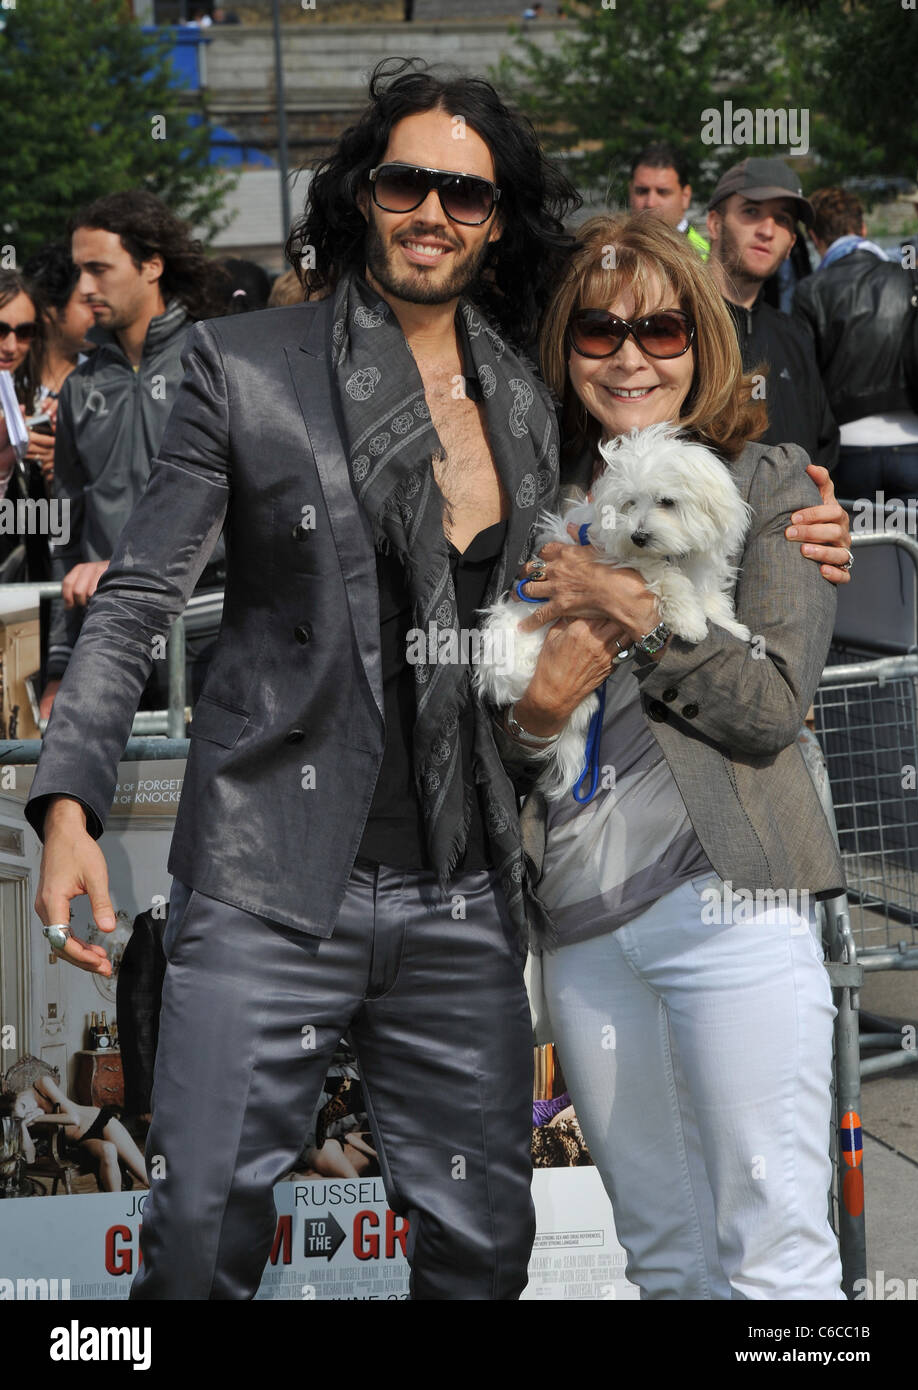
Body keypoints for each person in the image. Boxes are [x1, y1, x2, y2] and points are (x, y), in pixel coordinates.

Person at [27, 58, 581, 1302]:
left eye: (465, 194)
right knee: (196, 1239)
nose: (431, 212)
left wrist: (785, 516)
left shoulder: (523, 398)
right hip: (268, 879)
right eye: (405, 181)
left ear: (496, 225)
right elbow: (135, 606)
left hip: (462, 886)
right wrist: (70, 807)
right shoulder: (250, 365)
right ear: (360, 192)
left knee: (485, 1245)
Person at [494, 213, 851, 1299]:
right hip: (581, 928)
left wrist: (630, 606)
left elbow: (768, 707)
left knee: (775, 1255)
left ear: (702, 339)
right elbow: (479, 735)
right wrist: (533, 726)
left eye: (659, 327)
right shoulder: (515, 499)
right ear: (564, 346)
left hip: (730, 904)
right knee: (663, 1260)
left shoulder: (773, 481)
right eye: (599, 328)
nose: (630, 354)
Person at [41, 190, 228, 717]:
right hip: (111, 647)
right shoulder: (79, 387)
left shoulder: (217, 364)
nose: (84, 287)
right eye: (79, 271)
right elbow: (65, 539)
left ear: (152, 266)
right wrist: (59, 666)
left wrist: (126, 567)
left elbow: (250, 513)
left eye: (99, 268)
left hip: (213, 643)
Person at [706, 157, 839, 475]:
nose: (767, 230)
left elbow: (824, 448)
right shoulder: (671, 326)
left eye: (782, 219)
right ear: (714, 223)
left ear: (792, 242)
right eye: (751, 211)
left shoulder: (796, 336)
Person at [793, 186, 918, 501]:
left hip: (847, 450)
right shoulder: (910, 277)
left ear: (814, 237)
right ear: (863, 228)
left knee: (859, 549)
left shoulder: (809, 291)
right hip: (913, 443)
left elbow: (805, 385)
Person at [21, 243, 96, 490]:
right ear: (49, 309)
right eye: (87, 302)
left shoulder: (106, 379)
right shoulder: (10, 383)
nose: (97, 312)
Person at [0, 270, 56, 581]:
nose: (11, 346)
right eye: (0, 330)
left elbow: (49, 521)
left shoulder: (33, 402)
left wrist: (56, 467)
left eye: (24, 332)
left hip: (24, 593)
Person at [14, 1072, 149, 1192]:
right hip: (81, 1141)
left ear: (21, 1099)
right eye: (23, 1114)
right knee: (108, 1149)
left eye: (23, 1106)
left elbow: (74, 1118)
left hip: (101, 1122)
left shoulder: (42, 1084)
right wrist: (23, 1125)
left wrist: (38, 1118)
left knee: (145, 1176)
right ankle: (114, 1209)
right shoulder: (21, 1115)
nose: (28, 1112)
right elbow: (30, 1158)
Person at [626, 141, 709, 259]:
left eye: (662, 192)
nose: (650, 203)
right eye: (642, 191)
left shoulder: (705, 260)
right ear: (630, 191)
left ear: (685, 196)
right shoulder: (608, 251)